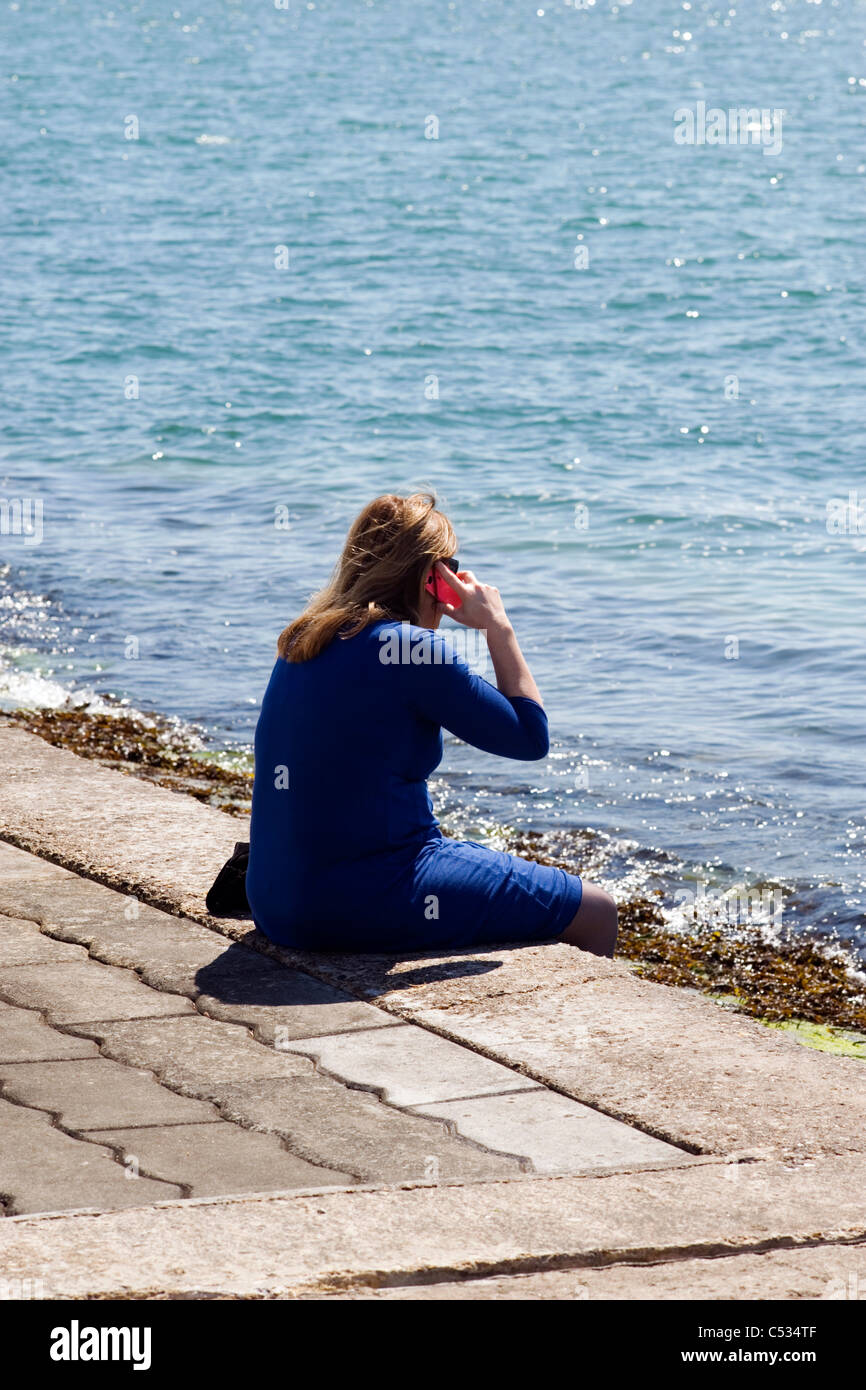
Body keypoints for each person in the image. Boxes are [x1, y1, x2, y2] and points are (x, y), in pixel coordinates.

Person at [245, 492, 617, 957]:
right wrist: (498, 627)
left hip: (274, 900)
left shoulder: (303, 635)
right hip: (351, 902)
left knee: (472, 853)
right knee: (598, 908)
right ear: (430, 577)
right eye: (450, 567)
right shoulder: (415, 650)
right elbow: (530, 737)